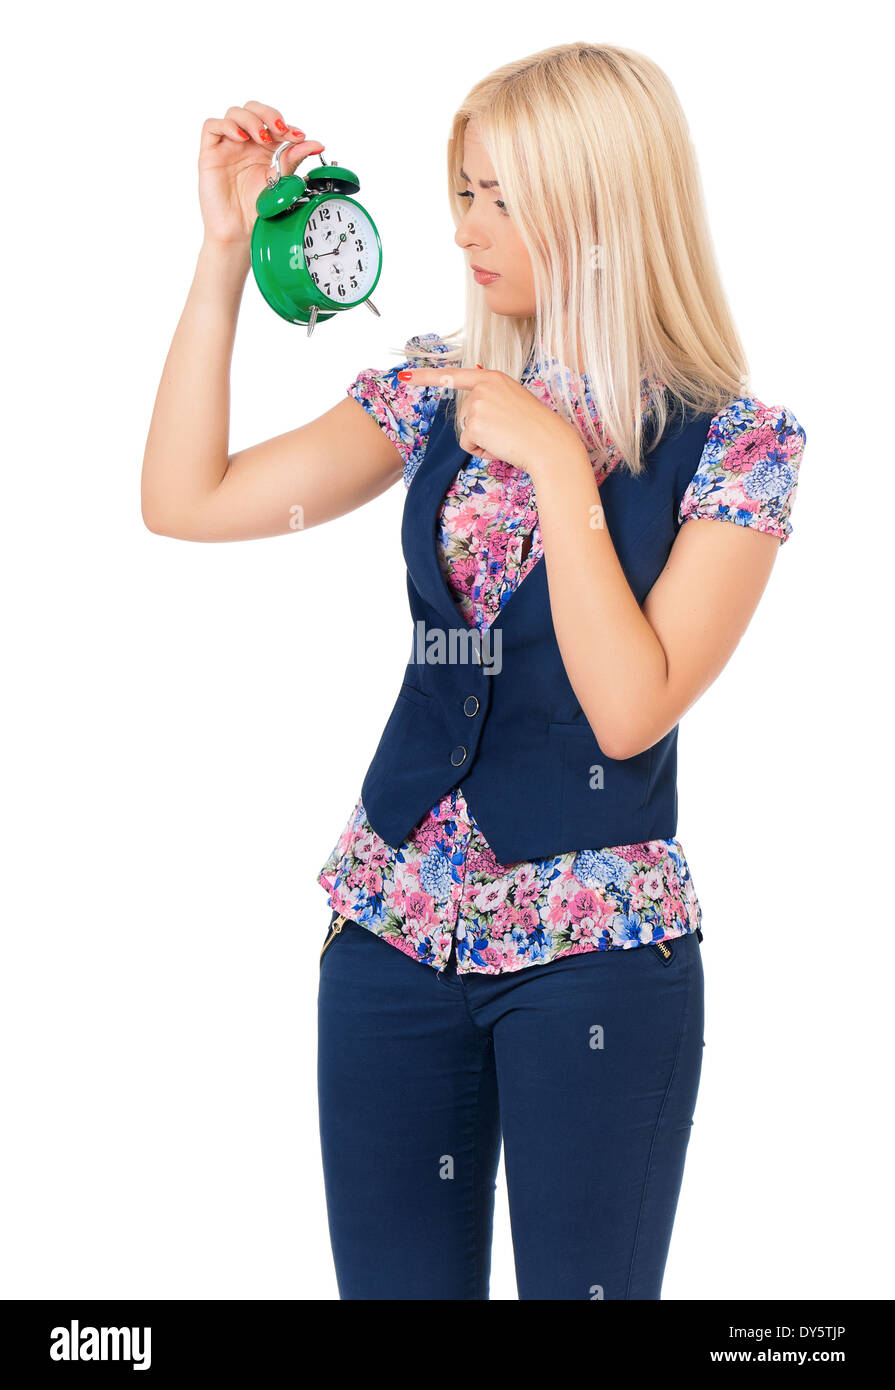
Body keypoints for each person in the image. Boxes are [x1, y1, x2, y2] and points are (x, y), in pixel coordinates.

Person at [141, 42, 806, 1301]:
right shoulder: (432, 389)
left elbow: (628, 711)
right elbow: (186, 499)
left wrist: (561, 468)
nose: (470, 230)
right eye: (462, 191)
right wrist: (223, 258)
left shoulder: (738, 444)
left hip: (593, 948)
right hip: (391, 933)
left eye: (508, 198)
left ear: (607, 207)